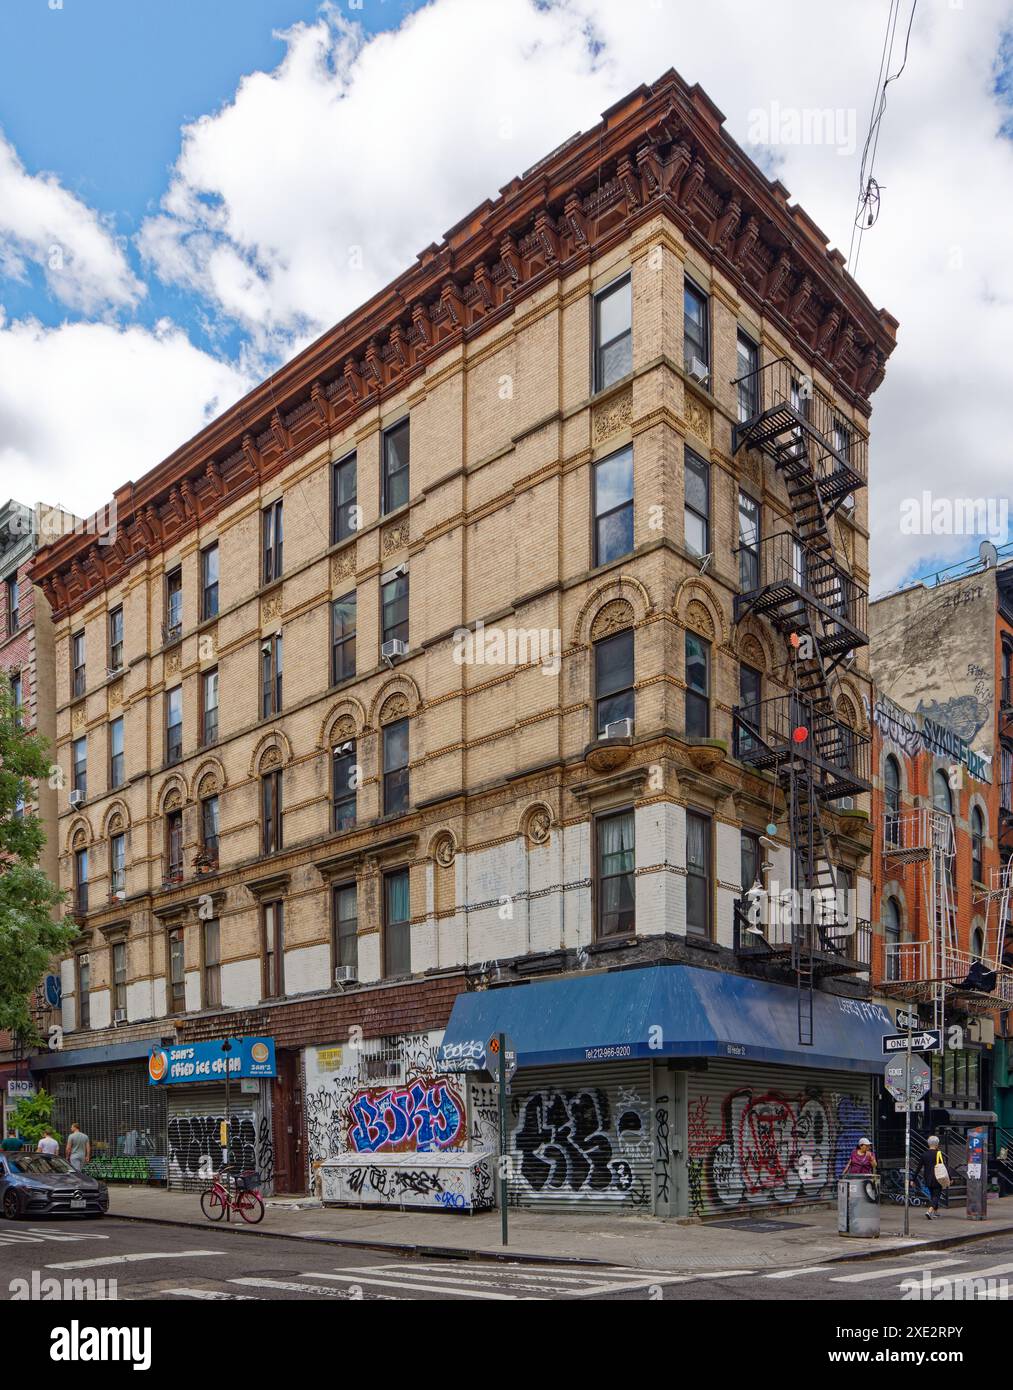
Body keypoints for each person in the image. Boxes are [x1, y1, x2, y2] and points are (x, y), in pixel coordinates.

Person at [921, 1135, 947, 1219]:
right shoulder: (938, 1153)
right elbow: (943, 1167)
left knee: (933, 1195)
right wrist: (950, 1177)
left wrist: (913, 1179)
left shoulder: (924, 1154)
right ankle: (929, 1211)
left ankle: (935, 1212)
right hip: (937, 1178)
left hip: (927, 1178)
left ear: (928, 1144)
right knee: (936, 1195)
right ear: (937, 1144)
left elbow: (918, 1167)